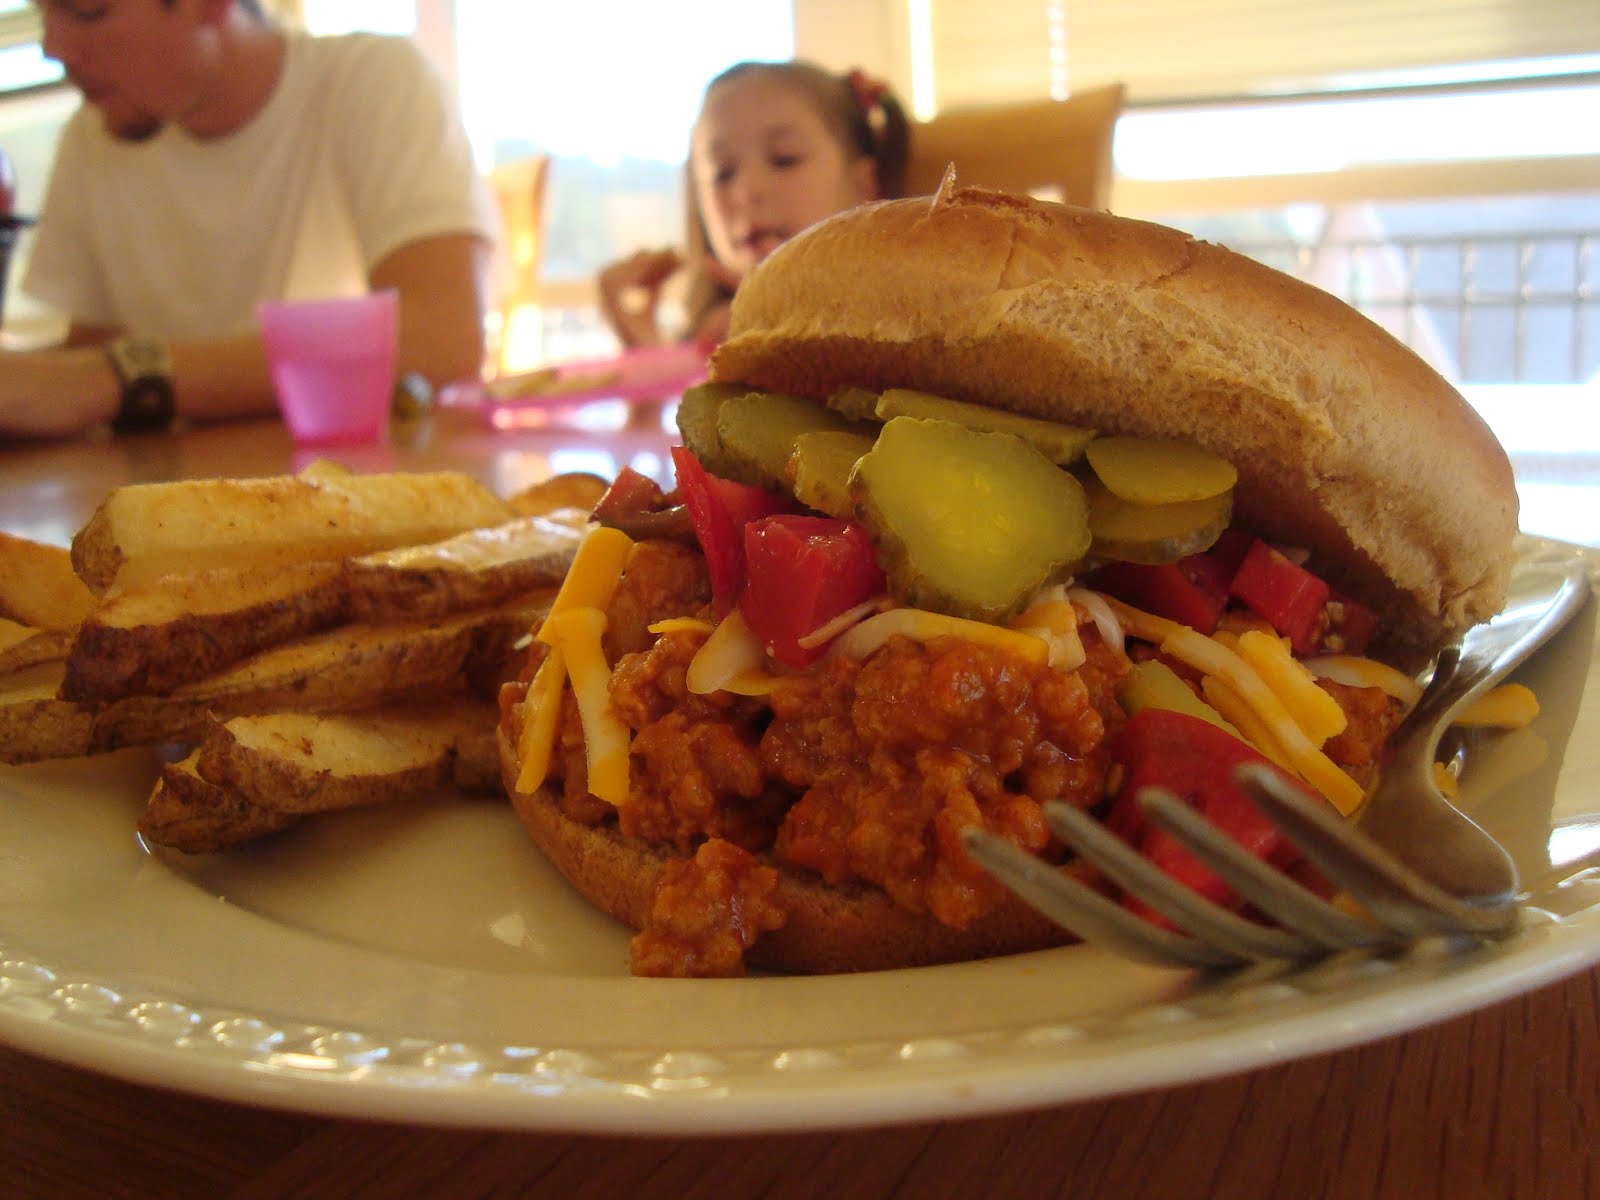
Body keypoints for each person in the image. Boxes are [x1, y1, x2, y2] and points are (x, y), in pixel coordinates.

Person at [0, 0, 497, 438]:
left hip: (351, 500)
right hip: (166, 506)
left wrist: (123, 377)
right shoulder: (91, 141)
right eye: (42, 11)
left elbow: (442, 337)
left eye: (87, 10)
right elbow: (81, 369)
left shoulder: (372, 81)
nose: (53, 46)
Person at [598, 60, 909, 350]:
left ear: (862, 186)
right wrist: (649, 354)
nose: (746, 191)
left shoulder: (902, 324)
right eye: (722, 172)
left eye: (784, 159)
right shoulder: (709, 340)